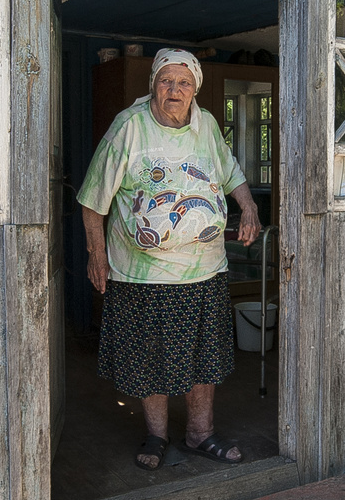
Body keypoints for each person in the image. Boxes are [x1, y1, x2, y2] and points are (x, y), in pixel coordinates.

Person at [77, 48, 261, 470]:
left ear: (195, 89)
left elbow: (229, 171)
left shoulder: (207, 125)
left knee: (202, 358)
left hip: (204, 270)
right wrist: (96, 255)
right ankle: (156, 436)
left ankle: (200, 434)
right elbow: (92, 200)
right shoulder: (129, 127)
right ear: (153, 86)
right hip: (143, 275)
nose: (174, 90)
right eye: (165, 81)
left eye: (183, 82)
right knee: (150, 358)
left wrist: (248, 205)